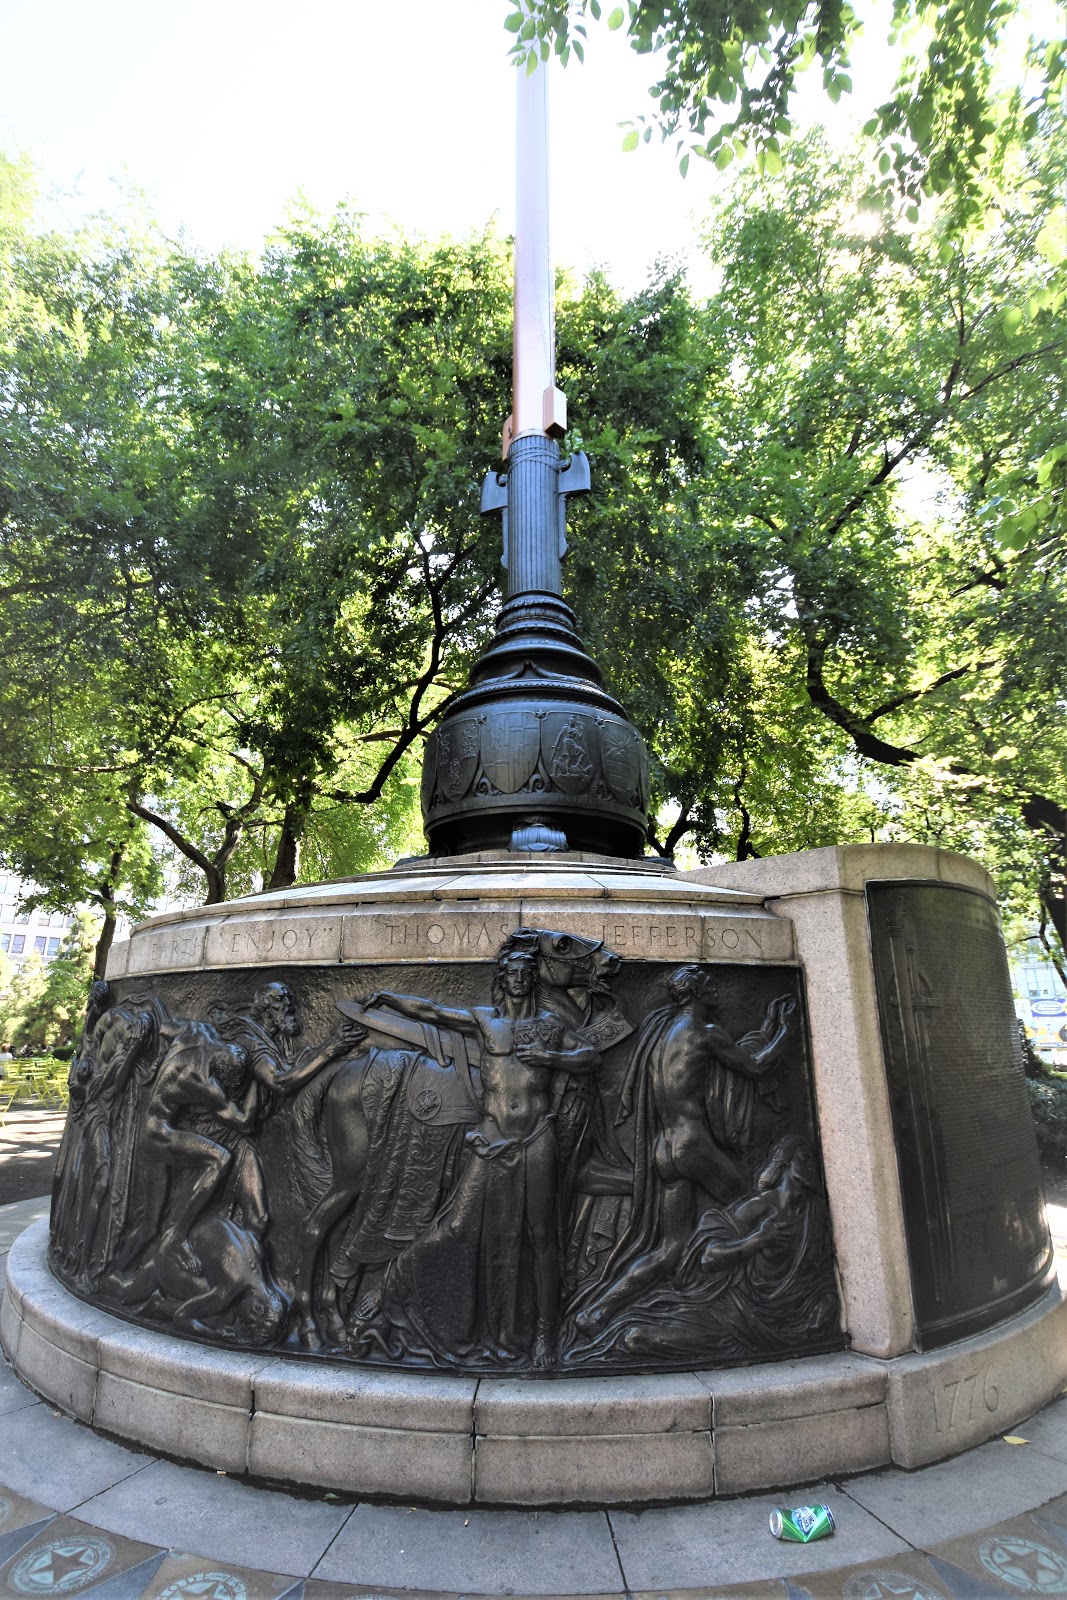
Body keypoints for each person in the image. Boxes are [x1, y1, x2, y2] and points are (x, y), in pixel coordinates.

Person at [360, 950, 601, 1367]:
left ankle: (544, 1337)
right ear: (503, 979)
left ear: (533, 979)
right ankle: (391, 1284)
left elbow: (590, 1057)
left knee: (542, 1238)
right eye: (513, 972)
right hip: (491, 1136)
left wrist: (553, 1059)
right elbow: (432, 1010)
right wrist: (387, 997)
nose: (520, 978)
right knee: (457, 1223)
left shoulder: (549, 1027)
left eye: (528, 972)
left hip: (536, 1136)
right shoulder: (485, 1020)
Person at [568, 964, 795, 1337]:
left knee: (669, 1249)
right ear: (693, 993)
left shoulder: (662, 1032)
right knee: (749, 1209)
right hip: (693, 1144)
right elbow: (754, 1065)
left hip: (665, 1149)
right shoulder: (704, 1033)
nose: (714, 988)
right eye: (706, 984)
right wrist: (785, 1031)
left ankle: (597, 1311)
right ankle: (754, 1300)